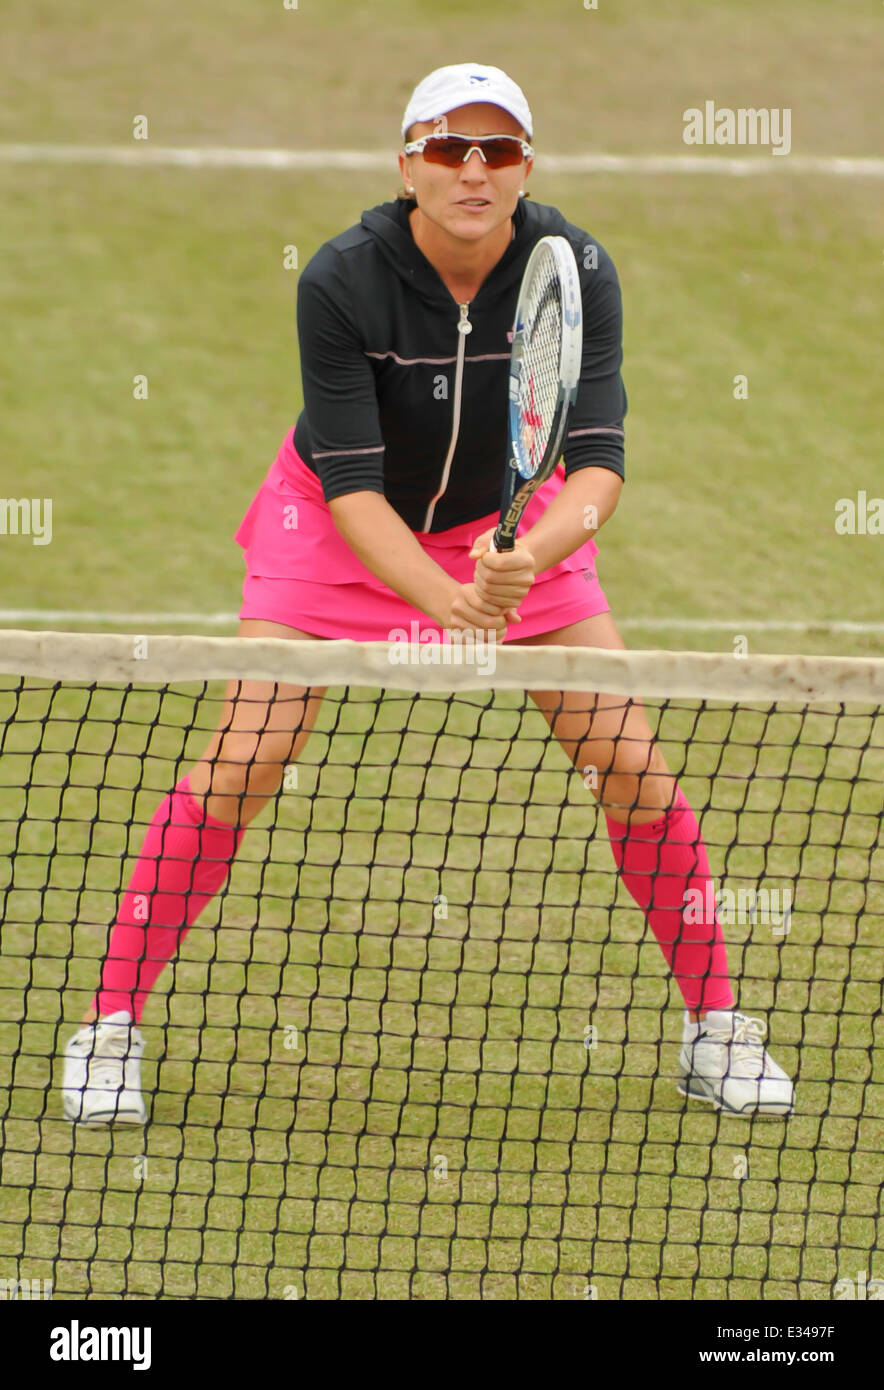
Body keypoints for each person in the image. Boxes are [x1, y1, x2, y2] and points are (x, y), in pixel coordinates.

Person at [62, 63, 793, 1125]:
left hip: (509, 541)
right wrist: (449, 603)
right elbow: (353, 488)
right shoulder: (341, 279)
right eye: (447, 147)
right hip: (328, 526)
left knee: (629, 765)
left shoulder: (574, 266)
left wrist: (525, 560)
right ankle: (110, 1025)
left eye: (494, 150)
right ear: (406, 163)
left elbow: (595, 469)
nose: (471, 168)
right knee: (247, 756)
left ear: (524, 167)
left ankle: (714, 1027)